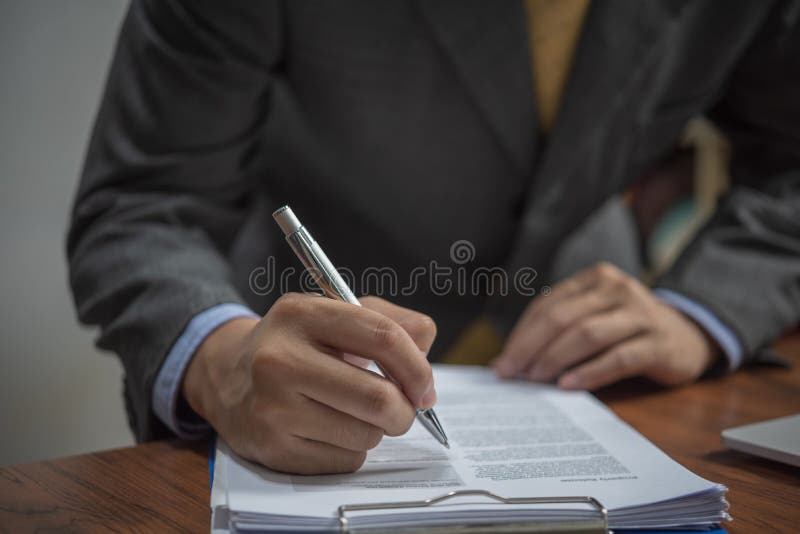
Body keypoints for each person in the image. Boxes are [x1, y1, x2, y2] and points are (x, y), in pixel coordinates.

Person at [68, 0, 800, 475]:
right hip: (292, 366)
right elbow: (146, 201)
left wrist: (701, 310)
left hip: (603, 377)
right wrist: (221, 360)